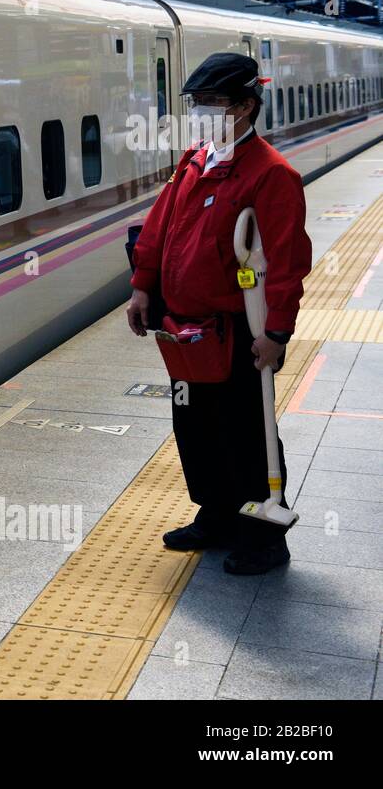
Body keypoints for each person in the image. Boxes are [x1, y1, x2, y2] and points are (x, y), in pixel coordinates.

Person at [126, 52, 312, 575]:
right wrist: (143, 288)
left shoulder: (272, 175)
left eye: (214, 103)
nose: (203, 112)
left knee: (248, 435)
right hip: (184, 332)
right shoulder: (194, 161)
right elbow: (159, 230)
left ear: (248, 106)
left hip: (236, 334)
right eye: (197, 104)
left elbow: (286, 263)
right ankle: (217, 515)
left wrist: (277, 331)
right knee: (196, 427)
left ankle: (265, 538)